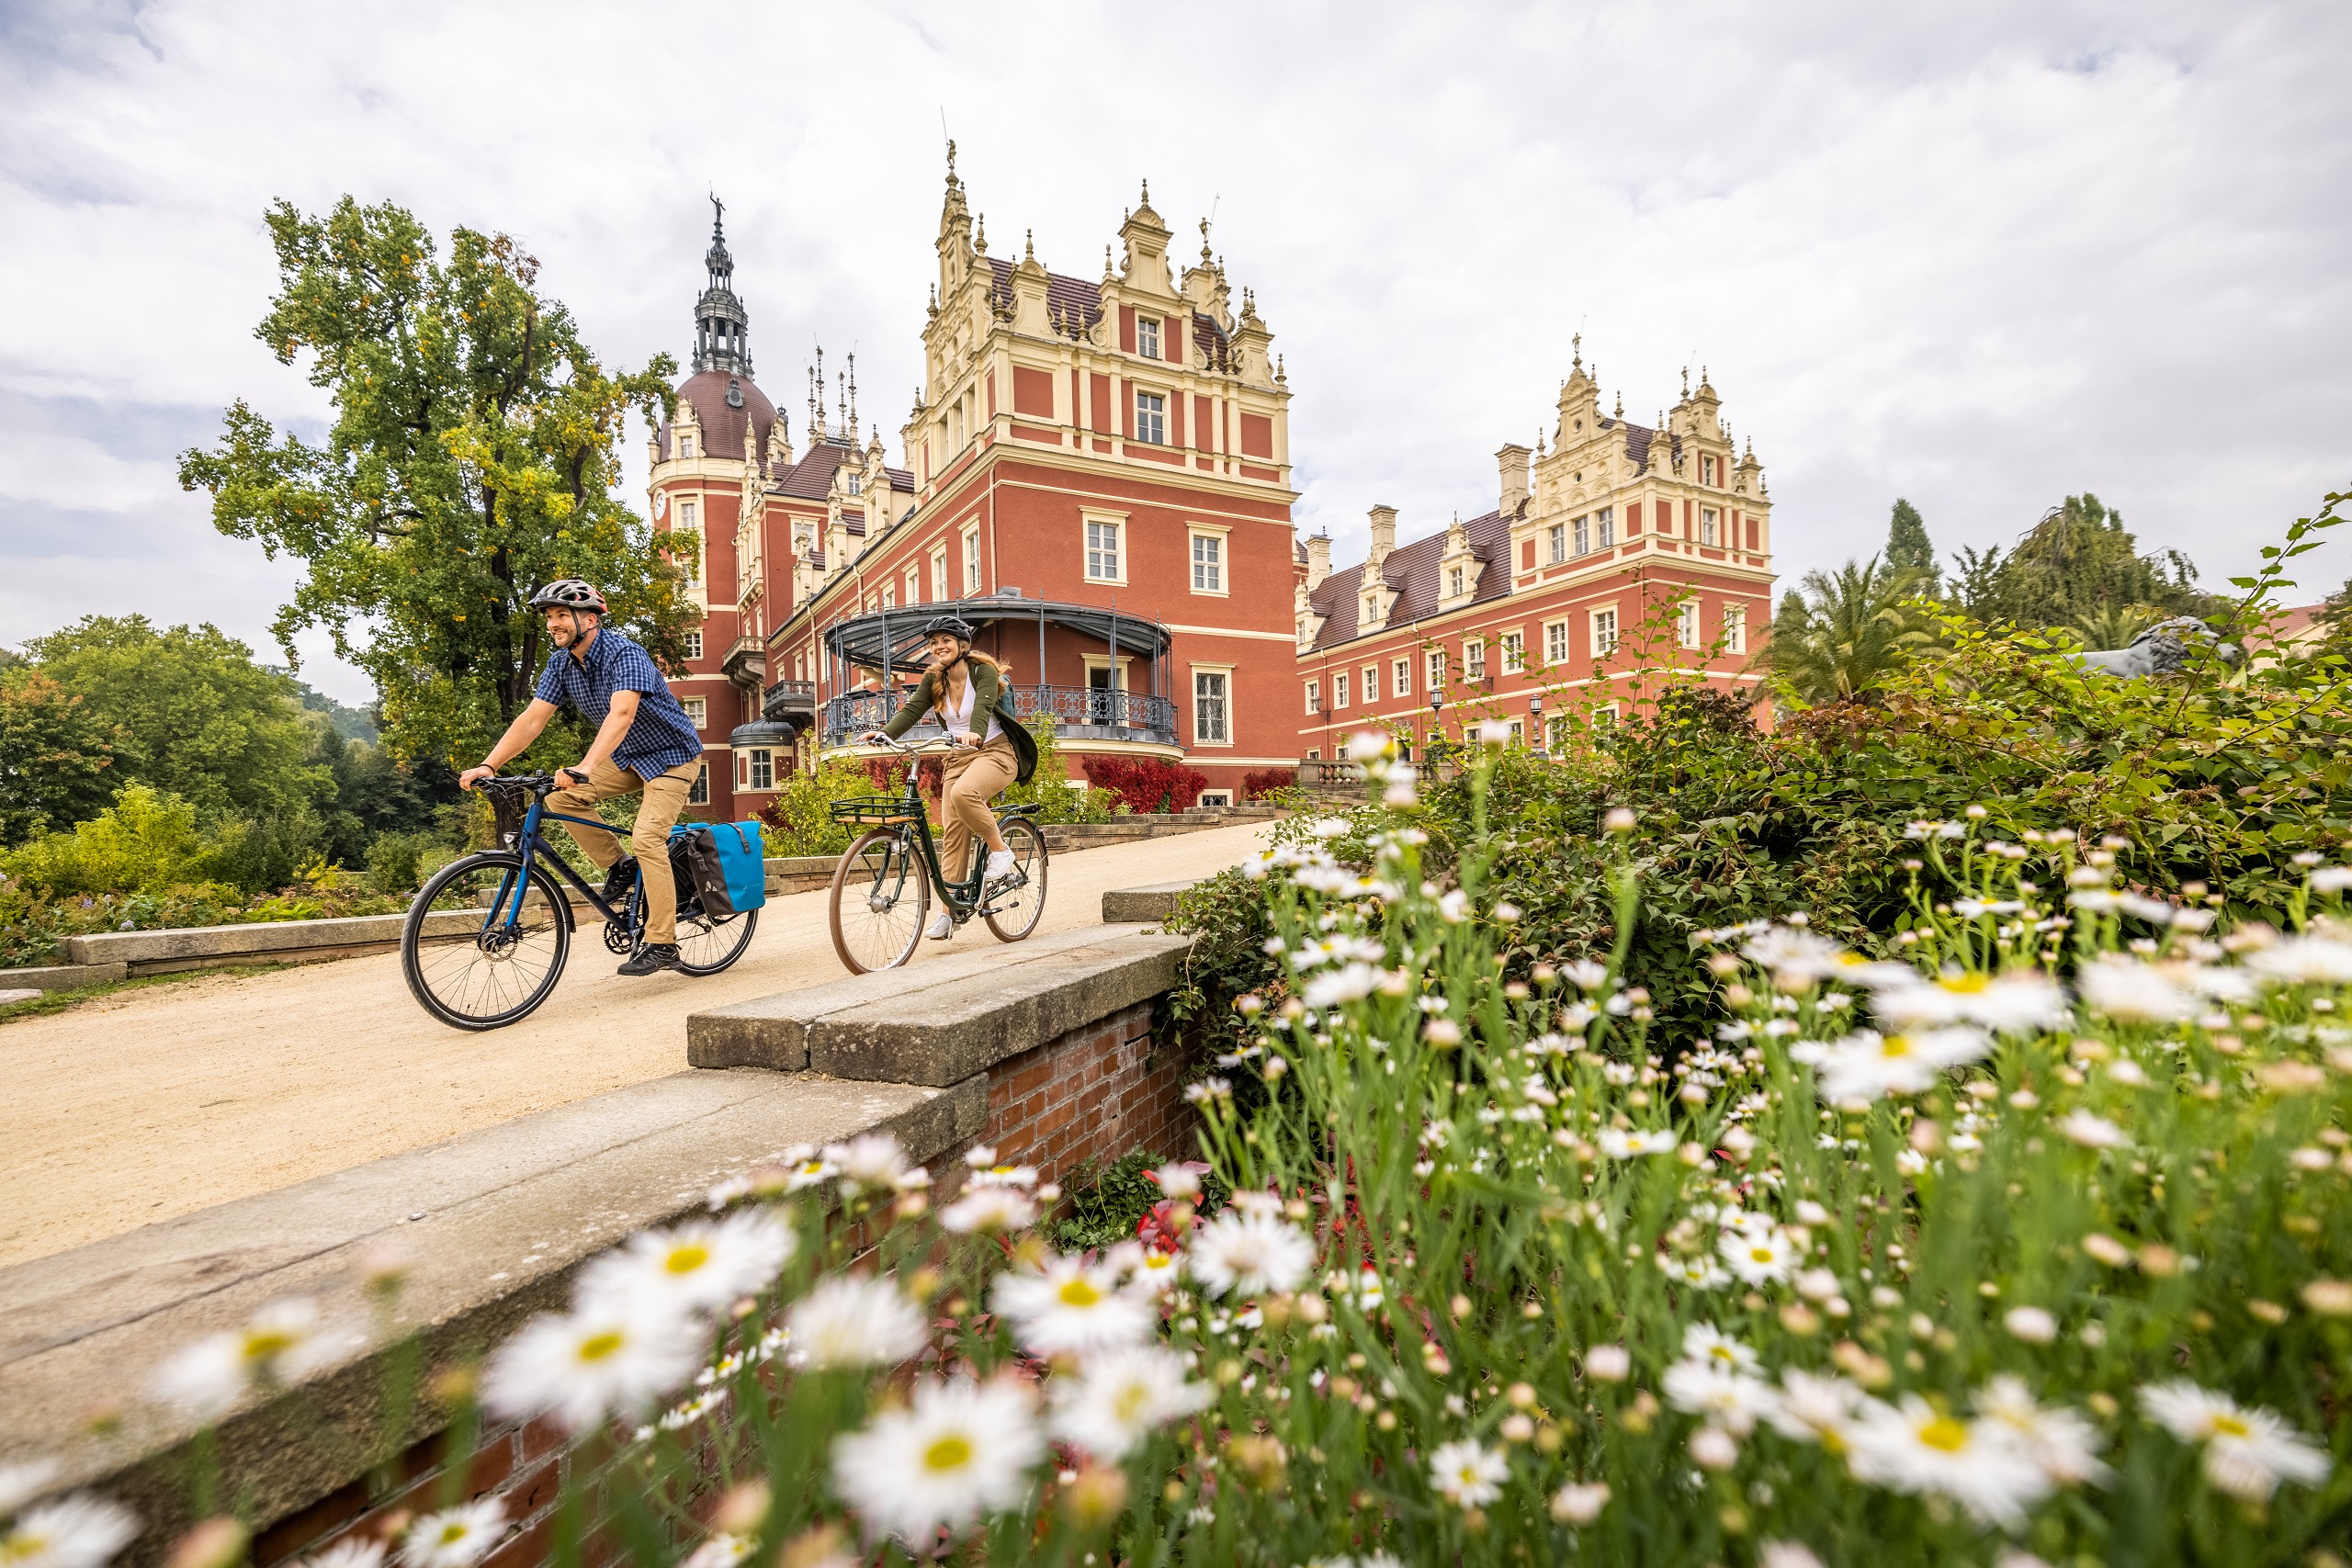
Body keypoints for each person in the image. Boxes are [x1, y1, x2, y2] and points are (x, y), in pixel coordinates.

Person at [458, 581, 708, 976]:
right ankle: (620, 866)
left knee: (647, 838)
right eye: (549, 616)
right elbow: (532, 719)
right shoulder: (561, 664)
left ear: (590, 619)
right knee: (560, 797)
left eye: (562, 615)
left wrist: (587, 766)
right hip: (627, 757)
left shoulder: (625, 654)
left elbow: (622, 713)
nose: (552, 624)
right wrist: (489, 765)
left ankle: (663, 942)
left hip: (672, 757)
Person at [863, 615, 1038, 940]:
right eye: (934, 643)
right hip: (958, 757)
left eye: (945, 640)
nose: (938, 647)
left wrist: (975, 733)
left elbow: (983, 707)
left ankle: (1000, 851)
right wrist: (885, 733)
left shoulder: (982, 671)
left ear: (962, 645)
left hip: (995, 751)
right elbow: (912, 710)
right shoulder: (934, 678)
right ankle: (948, 914)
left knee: (964, 794)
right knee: (954, 834)